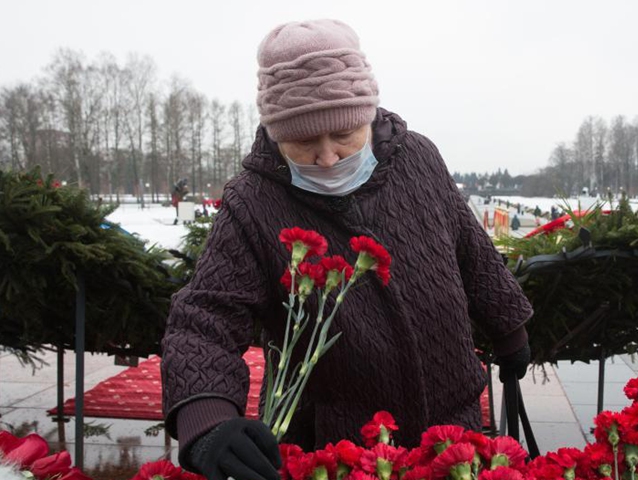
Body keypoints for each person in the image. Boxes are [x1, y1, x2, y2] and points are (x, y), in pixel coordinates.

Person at [160, 19, 533, 480]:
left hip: (449, 428)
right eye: (303, 142)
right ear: (276, 135)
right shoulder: (253, 201)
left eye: (343, 135)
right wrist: (207, 416)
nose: (328, 157)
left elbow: (470, 248)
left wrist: (509, 329)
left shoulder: (418, 159)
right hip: (333, 447)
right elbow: (206, 317)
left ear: (368, 114)